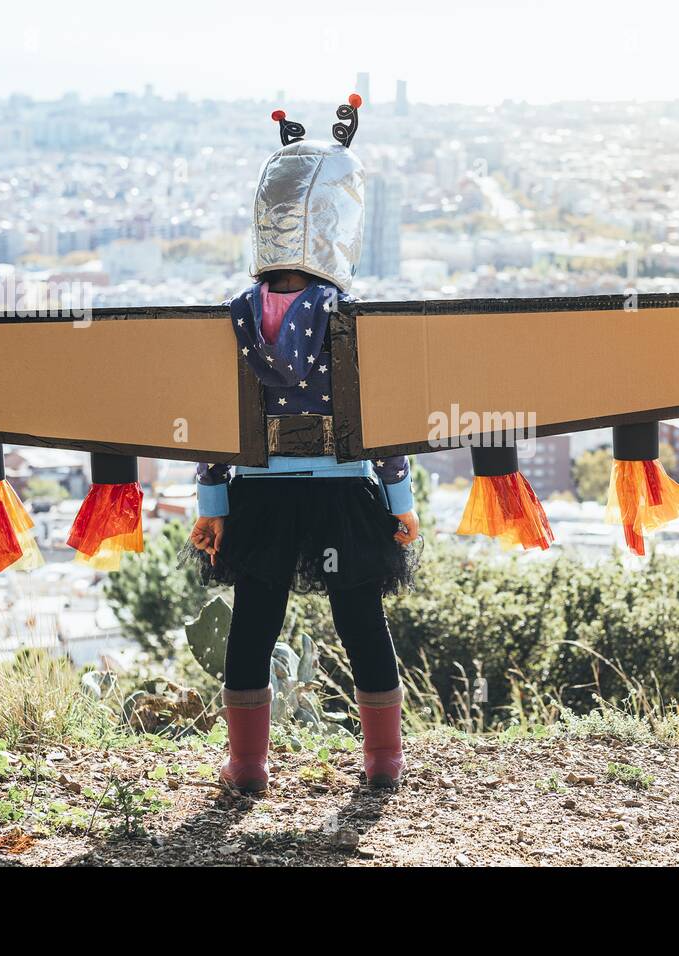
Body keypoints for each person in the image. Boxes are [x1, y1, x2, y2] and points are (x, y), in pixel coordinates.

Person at [187, 95, 417, 793]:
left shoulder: (232, 318)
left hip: (259, 497)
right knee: (362, 621)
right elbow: (386, 424)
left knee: (253, 624)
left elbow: (212, 425)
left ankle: (249, 767)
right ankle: (383, 763)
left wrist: (213, 503)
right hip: (344, 493)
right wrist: (400, 500)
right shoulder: (349, 318)